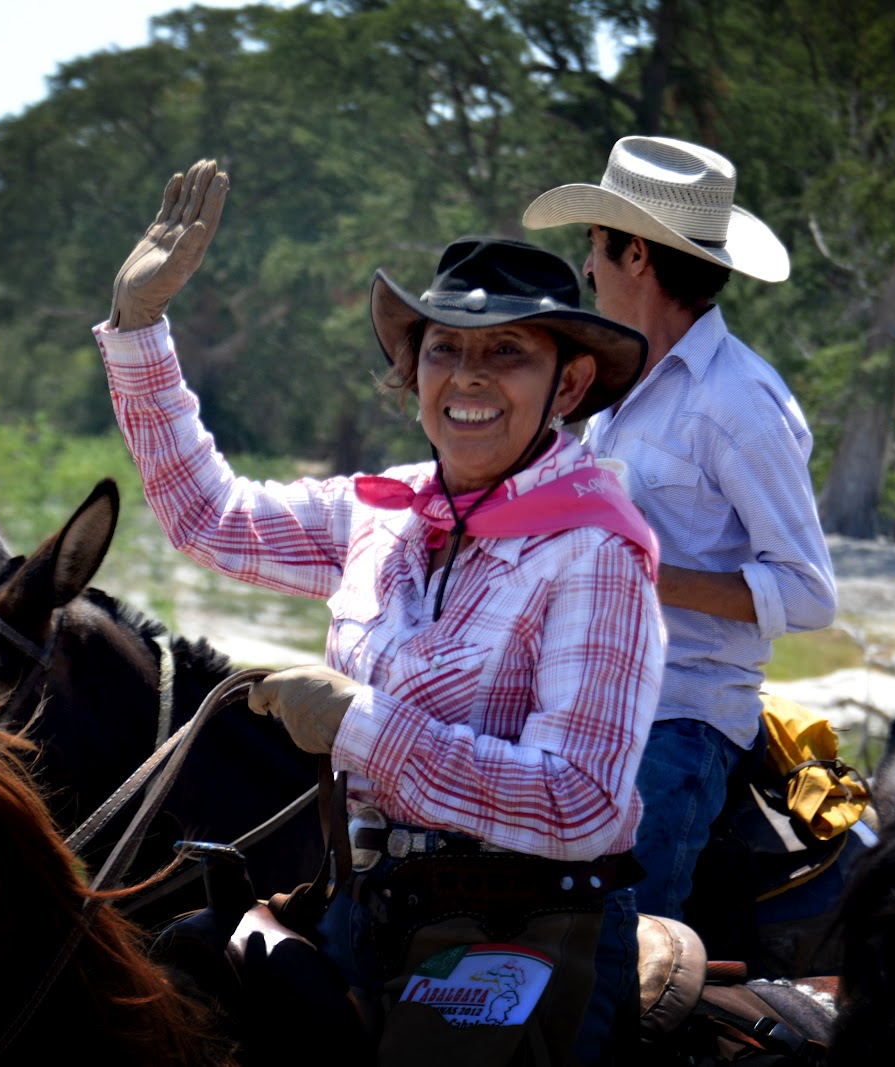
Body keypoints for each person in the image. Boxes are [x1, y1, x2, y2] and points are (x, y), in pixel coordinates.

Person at [96, 159, 664, 1064]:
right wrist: (138, 327)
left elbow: (583, 803)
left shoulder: (594, 549)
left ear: (567, 386)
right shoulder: (383, 511)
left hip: (520, 925)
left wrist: (361, 724)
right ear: (414, 369)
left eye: (507, 351)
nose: (468, 377)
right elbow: (209, 516)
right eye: (445, 348)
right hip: (369, 902)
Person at [521, 136, 837, 923]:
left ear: (635, 254)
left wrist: (640, 573)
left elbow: (808, 593)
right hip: (592, 706)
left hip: (680, 722)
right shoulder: (613, 385)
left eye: (595, 247)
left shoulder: (738, 403)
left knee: (611, 952)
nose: (587, 268)